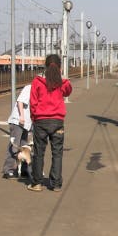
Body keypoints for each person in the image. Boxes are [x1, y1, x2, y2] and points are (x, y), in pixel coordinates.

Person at [28, 54, 72, 192]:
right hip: (57, 121)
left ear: (46, 66)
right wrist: (64, 79)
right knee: (57, 153)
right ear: (60, 67)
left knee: (39, 152)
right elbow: (68, 92)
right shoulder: (61, 83)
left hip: (40, 121)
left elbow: (33, 102)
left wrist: (34, 118)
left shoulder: (37, 82)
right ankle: (56, 184)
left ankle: (37, 183)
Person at [1, 84, 32, 179]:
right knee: (14, 146)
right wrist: (22, 116)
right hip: (18, 121)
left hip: (26, 124)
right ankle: (8, 170)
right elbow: (20, 101)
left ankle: (24, 170)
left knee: (24, 147)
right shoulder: (29, 88)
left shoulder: (39, 90)